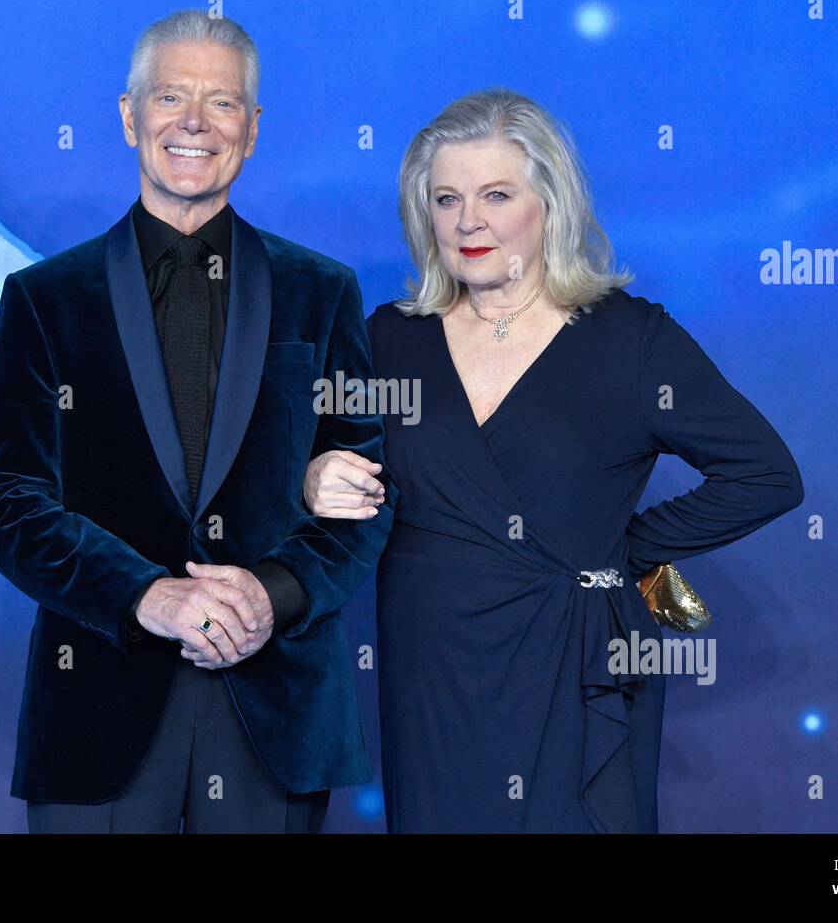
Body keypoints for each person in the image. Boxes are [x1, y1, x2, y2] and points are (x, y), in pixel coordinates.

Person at [303, 88, 804, 832]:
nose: (467, 220)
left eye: (496, 194)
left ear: (549, 203)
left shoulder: (631, 341)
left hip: (573, 664)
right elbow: (307, 462)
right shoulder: (388, 339)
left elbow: (766, 475)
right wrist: (315, 479)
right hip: (430, 672)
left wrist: (620, 551)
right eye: (446, 198)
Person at [0, 9, 395, 833]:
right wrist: (146, 597)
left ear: (253, 127)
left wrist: (272, 596)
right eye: (170, 97)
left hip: (276, 712)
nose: (194, 122)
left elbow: (365, 495)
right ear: (129, 116)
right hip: (100, 705)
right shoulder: (46, 299)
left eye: (222, 102)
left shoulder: (325, 291)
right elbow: (4, 502)